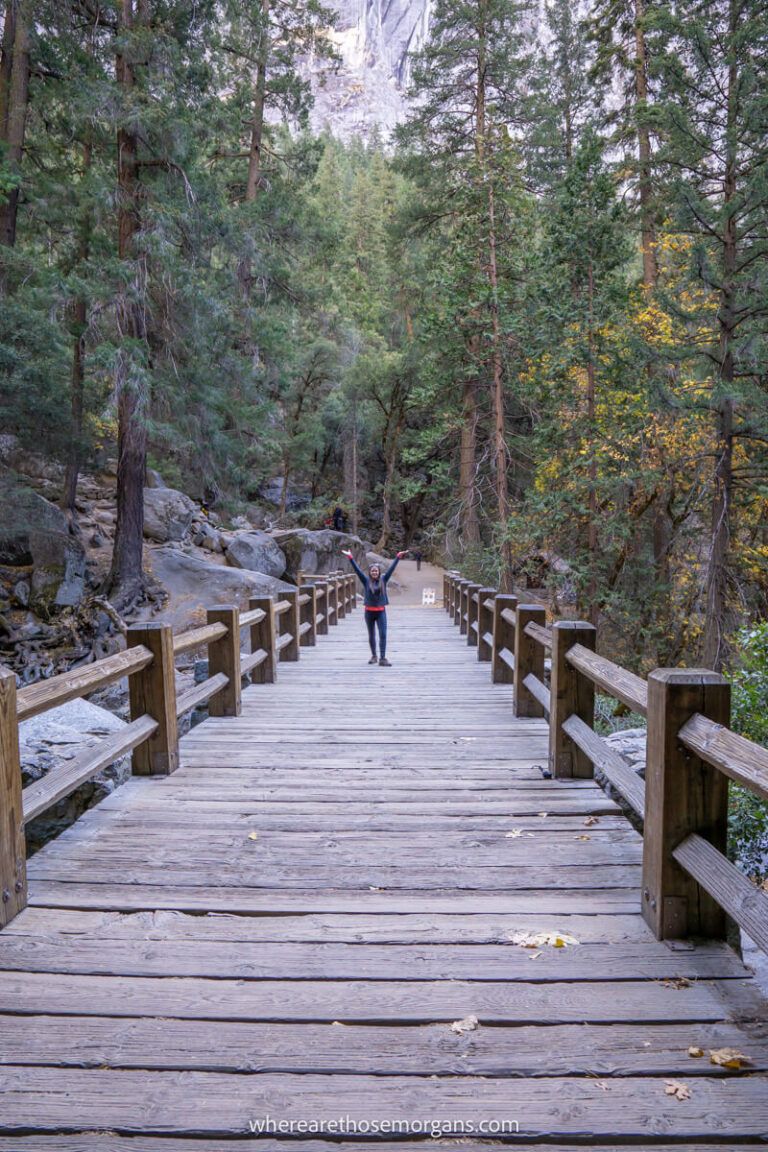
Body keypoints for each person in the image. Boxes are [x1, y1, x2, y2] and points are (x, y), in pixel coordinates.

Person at [342, 548, 408, 666]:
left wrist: (398, 557)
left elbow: (391, 569)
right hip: (369, 612)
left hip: (381, 612)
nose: (374, 572)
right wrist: (350, 557)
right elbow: (357, 571)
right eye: (372, 571)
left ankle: (382, 658)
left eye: (376, 571)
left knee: (383, 634)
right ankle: (374, 656)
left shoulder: (384, 580)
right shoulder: (366, 581)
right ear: (370, 572)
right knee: (371, 634)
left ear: (379, 572)